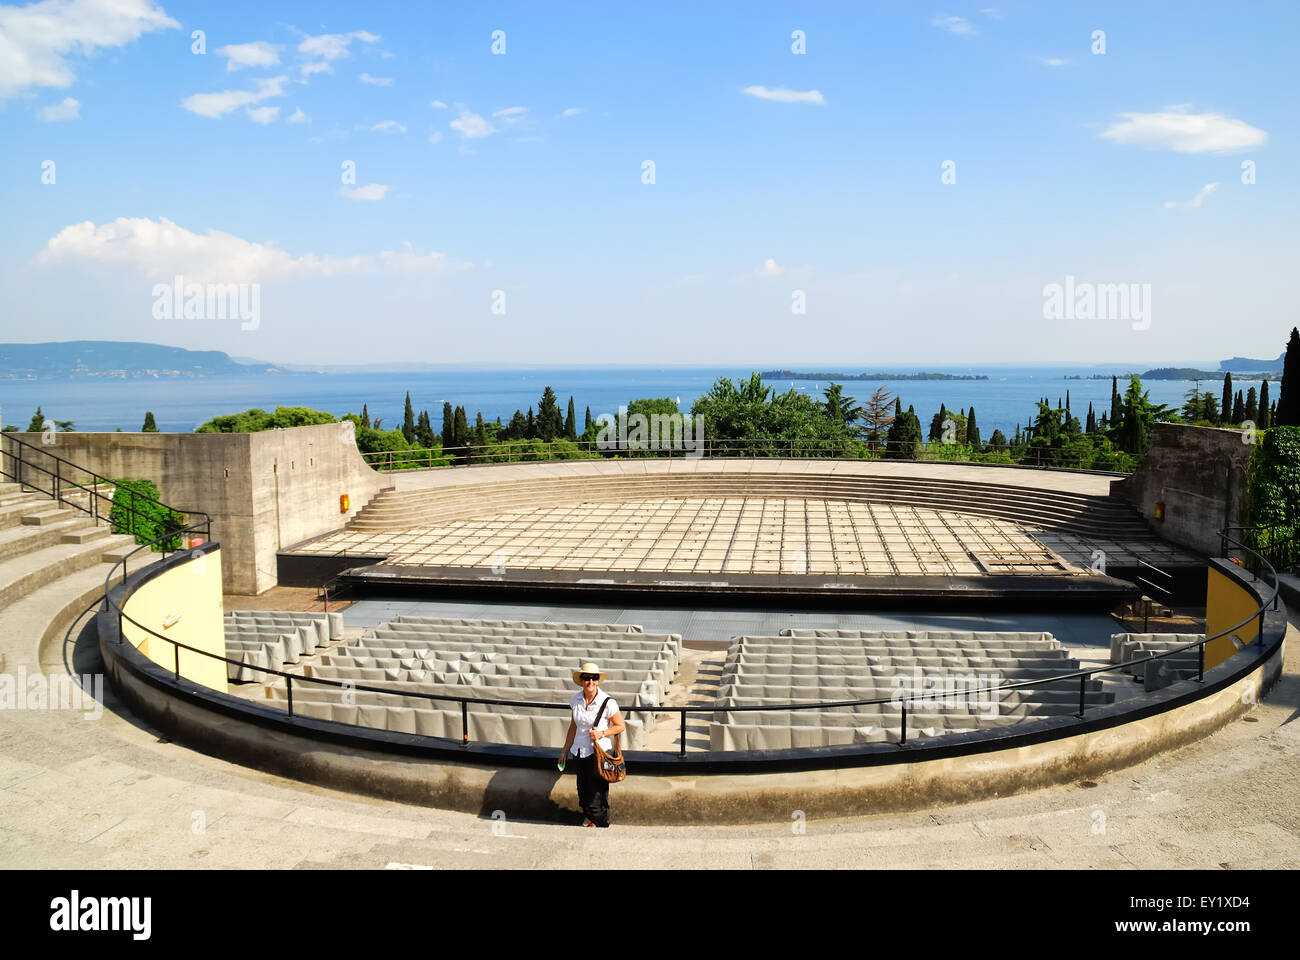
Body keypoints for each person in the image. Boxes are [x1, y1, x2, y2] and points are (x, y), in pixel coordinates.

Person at [559, 661, 625, 828]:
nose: (590, 682)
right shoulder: (575, 699)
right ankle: (598, 820)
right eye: (587, 678)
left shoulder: (607, 701)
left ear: (598, 680)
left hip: (599, 752)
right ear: (581, 680)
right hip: (579, 751)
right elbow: (573, 726)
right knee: (583, 792)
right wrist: (564, 751)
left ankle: (600, 822)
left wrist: (602, 733)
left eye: (594, 678)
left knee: (596, 793)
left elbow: (620, 725)